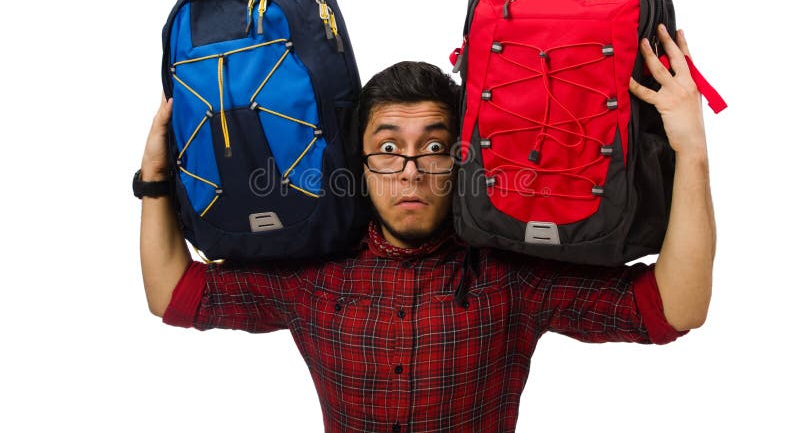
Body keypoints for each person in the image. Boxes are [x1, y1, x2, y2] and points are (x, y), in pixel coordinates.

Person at [138, 25, 714, 433]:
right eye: (388, 149)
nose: (410, 172)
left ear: (463, 159)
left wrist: (691, 153)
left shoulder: (511, 274)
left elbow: (670, 309)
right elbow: (176, 294)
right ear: (358, 166)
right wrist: (156, 177)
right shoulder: (311, 277)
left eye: (433, 148)